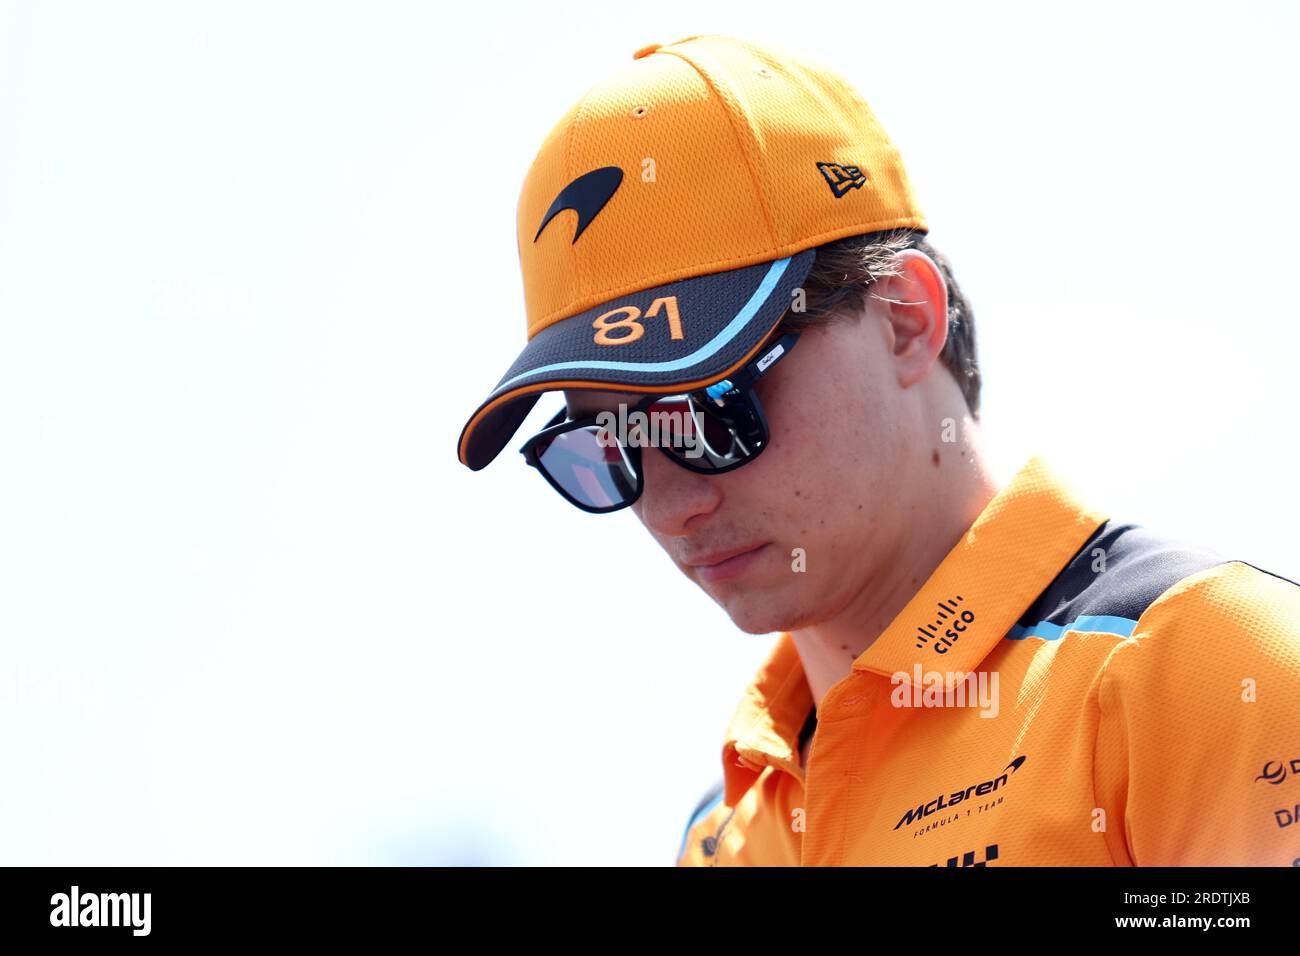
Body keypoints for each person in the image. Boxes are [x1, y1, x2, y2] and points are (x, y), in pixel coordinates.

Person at [456, 34, 1300, 866]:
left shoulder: (1201, 671)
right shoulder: (724, 836)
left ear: (904, 319)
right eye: (610, 442)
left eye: (712, 413)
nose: (672, 508)